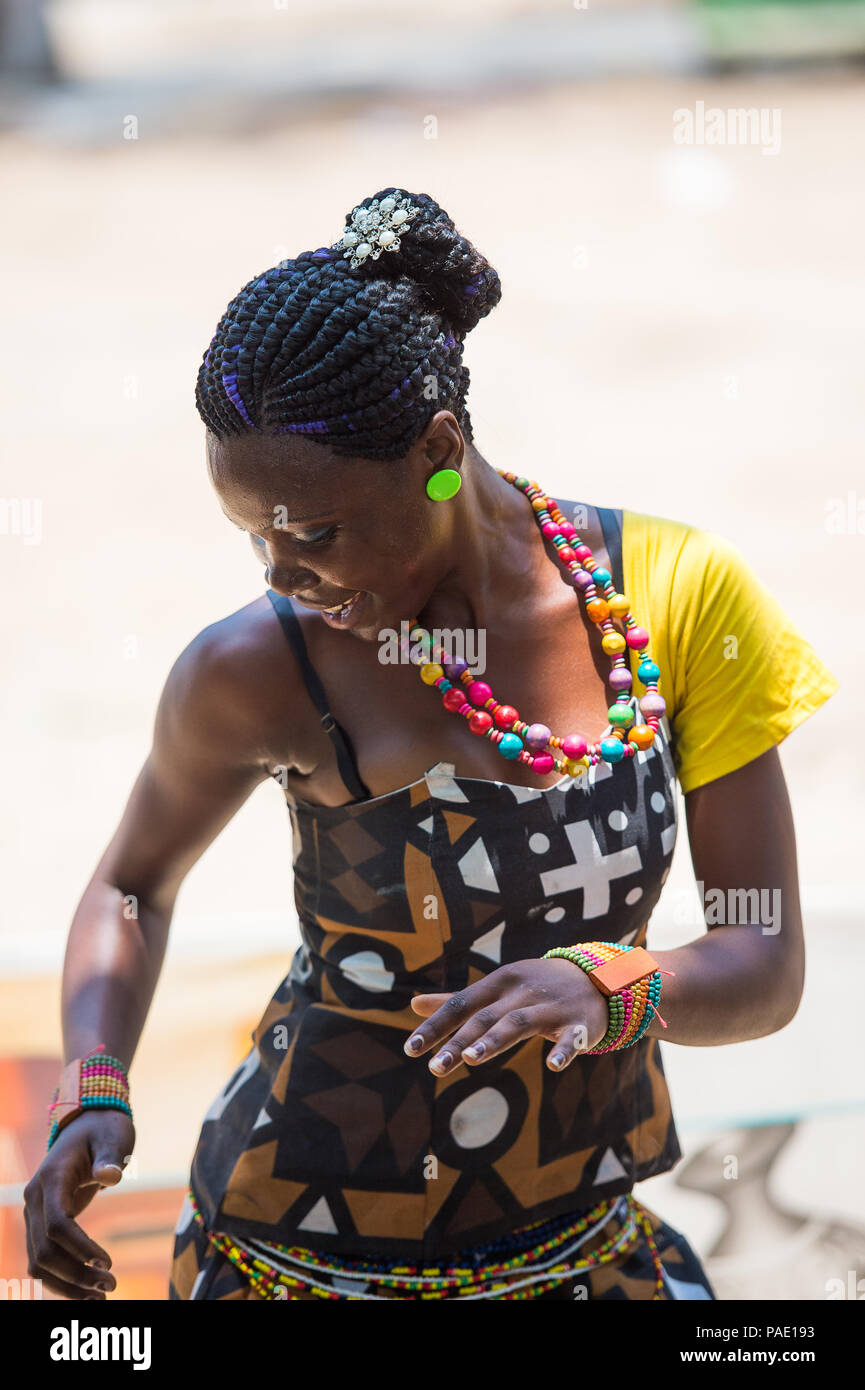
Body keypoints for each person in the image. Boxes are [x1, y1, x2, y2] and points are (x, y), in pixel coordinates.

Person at [24, 188, 838, 1301]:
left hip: (581, 1249)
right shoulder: (261, 666)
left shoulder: (673, 597)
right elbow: (131, 882)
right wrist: (94, 1083)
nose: (281, 574)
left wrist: (613, 985)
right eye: (252, 535)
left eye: (314, 531)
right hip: (295, 1259)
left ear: (440, 450)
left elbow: (762, 960)